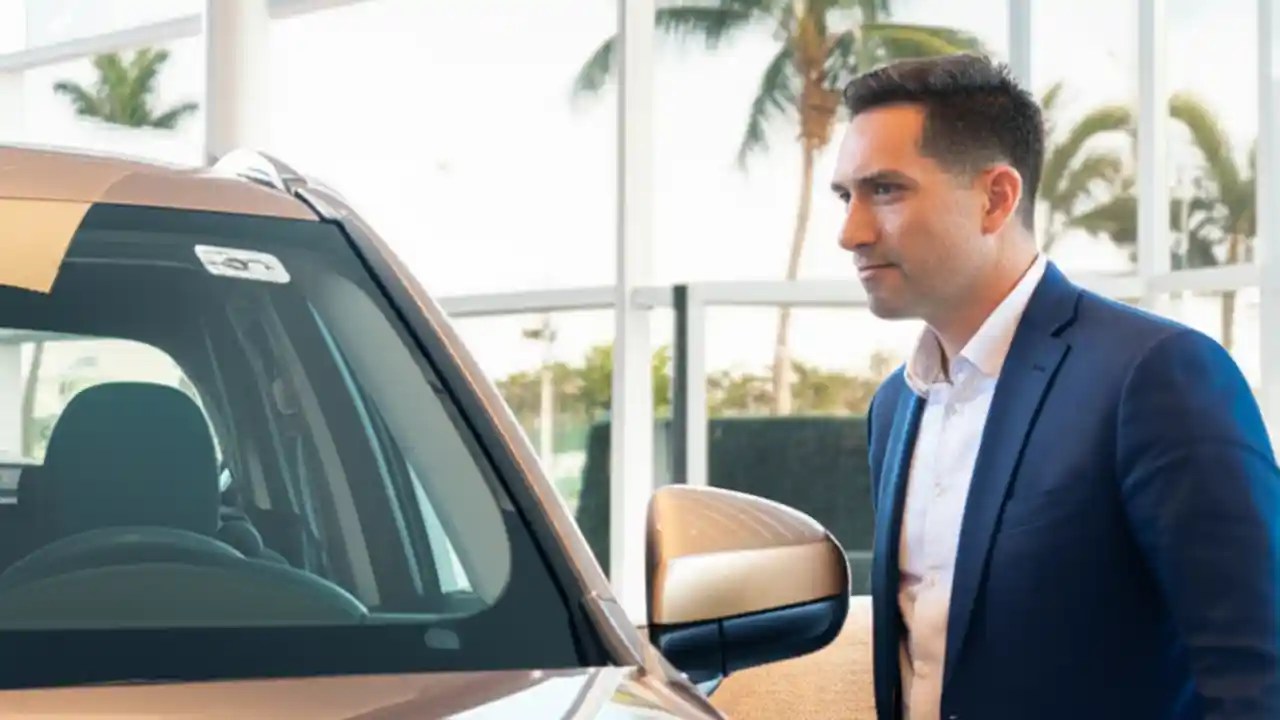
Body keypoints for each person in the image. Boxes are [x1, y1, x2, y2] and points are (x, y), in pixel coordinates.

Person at [833, 53, 1280, 720]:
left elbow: (1257, 673)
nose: (851, 233)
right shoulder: (896, 405)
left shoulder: (1155, 376)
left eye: (886, 191)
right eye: (847, 196)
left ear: (996, 198)